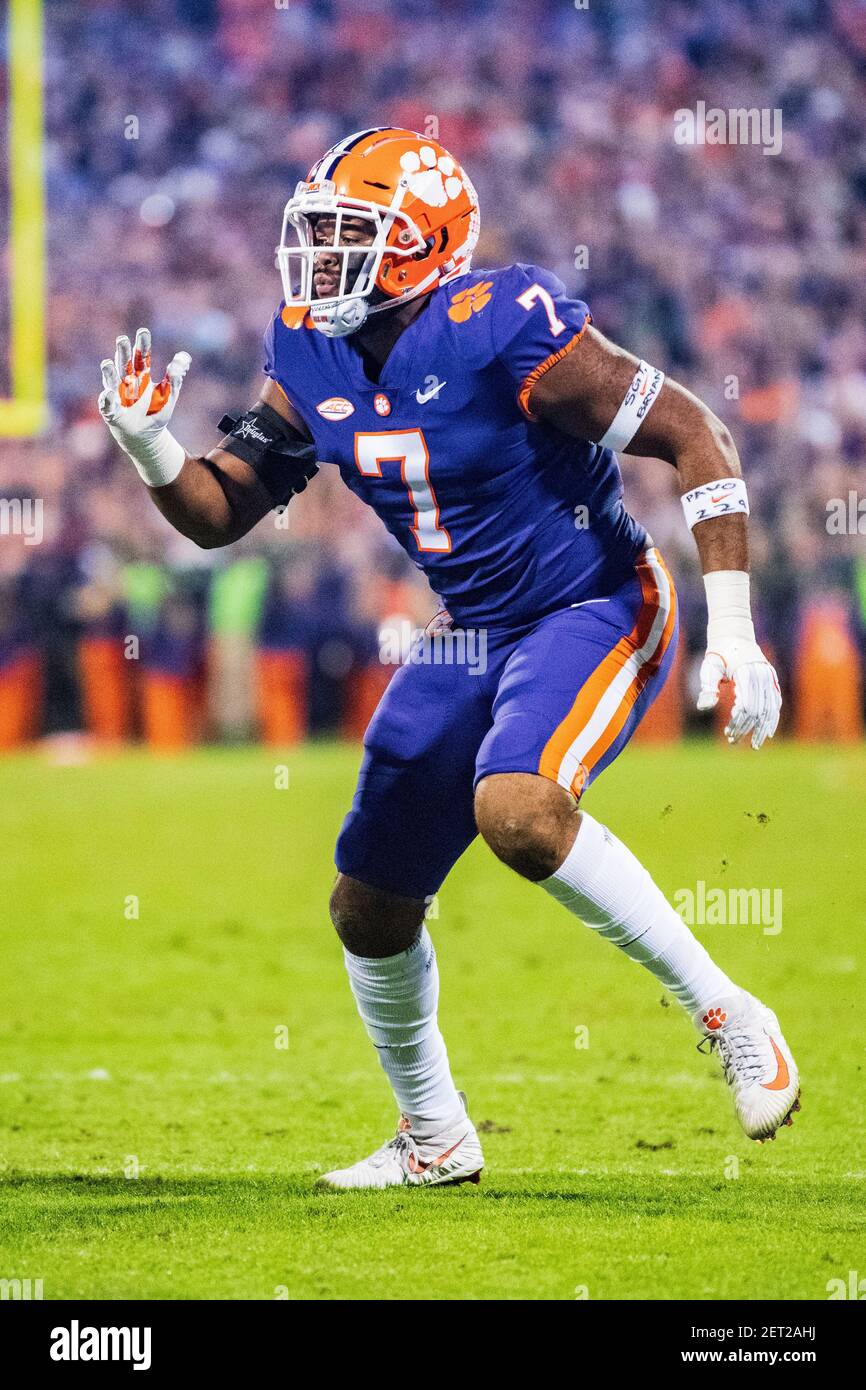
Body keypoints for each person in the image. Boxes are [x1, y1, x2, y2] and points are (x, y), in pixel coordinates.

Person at [98, 128, 797, 1190]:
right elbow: (218, 510)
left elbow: (697, 437)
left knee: (517, 811)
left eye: (347, 237)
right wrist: (152, 445)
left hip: (592, 601)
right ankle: (434, 1137)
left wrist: (734, 629)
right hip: (472, 626)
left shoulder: (506, 327)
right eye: (317, 233)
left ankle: (727, 1012)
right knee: (367, 902)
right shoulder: (310, 346)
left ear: (422, 247)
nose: (317, 258)